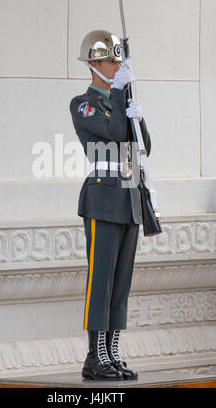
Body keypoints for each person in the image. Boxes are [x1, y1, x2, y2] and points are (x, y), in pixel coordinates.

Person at [69, 30, 151, 381]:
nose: (117, 65)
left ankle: (112, 353)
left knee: (120, 282)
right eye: (110, 61)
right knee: (100, 281)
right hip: (103, 197)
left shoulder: (120, 99)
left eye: (119, 61)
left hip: (129, 195)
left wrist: (137, 112)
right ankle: (95, 357)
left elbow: (143, 144)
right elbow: (116, 133)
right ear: (94, 65)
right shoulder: (83, 104)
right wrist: (120, 94)